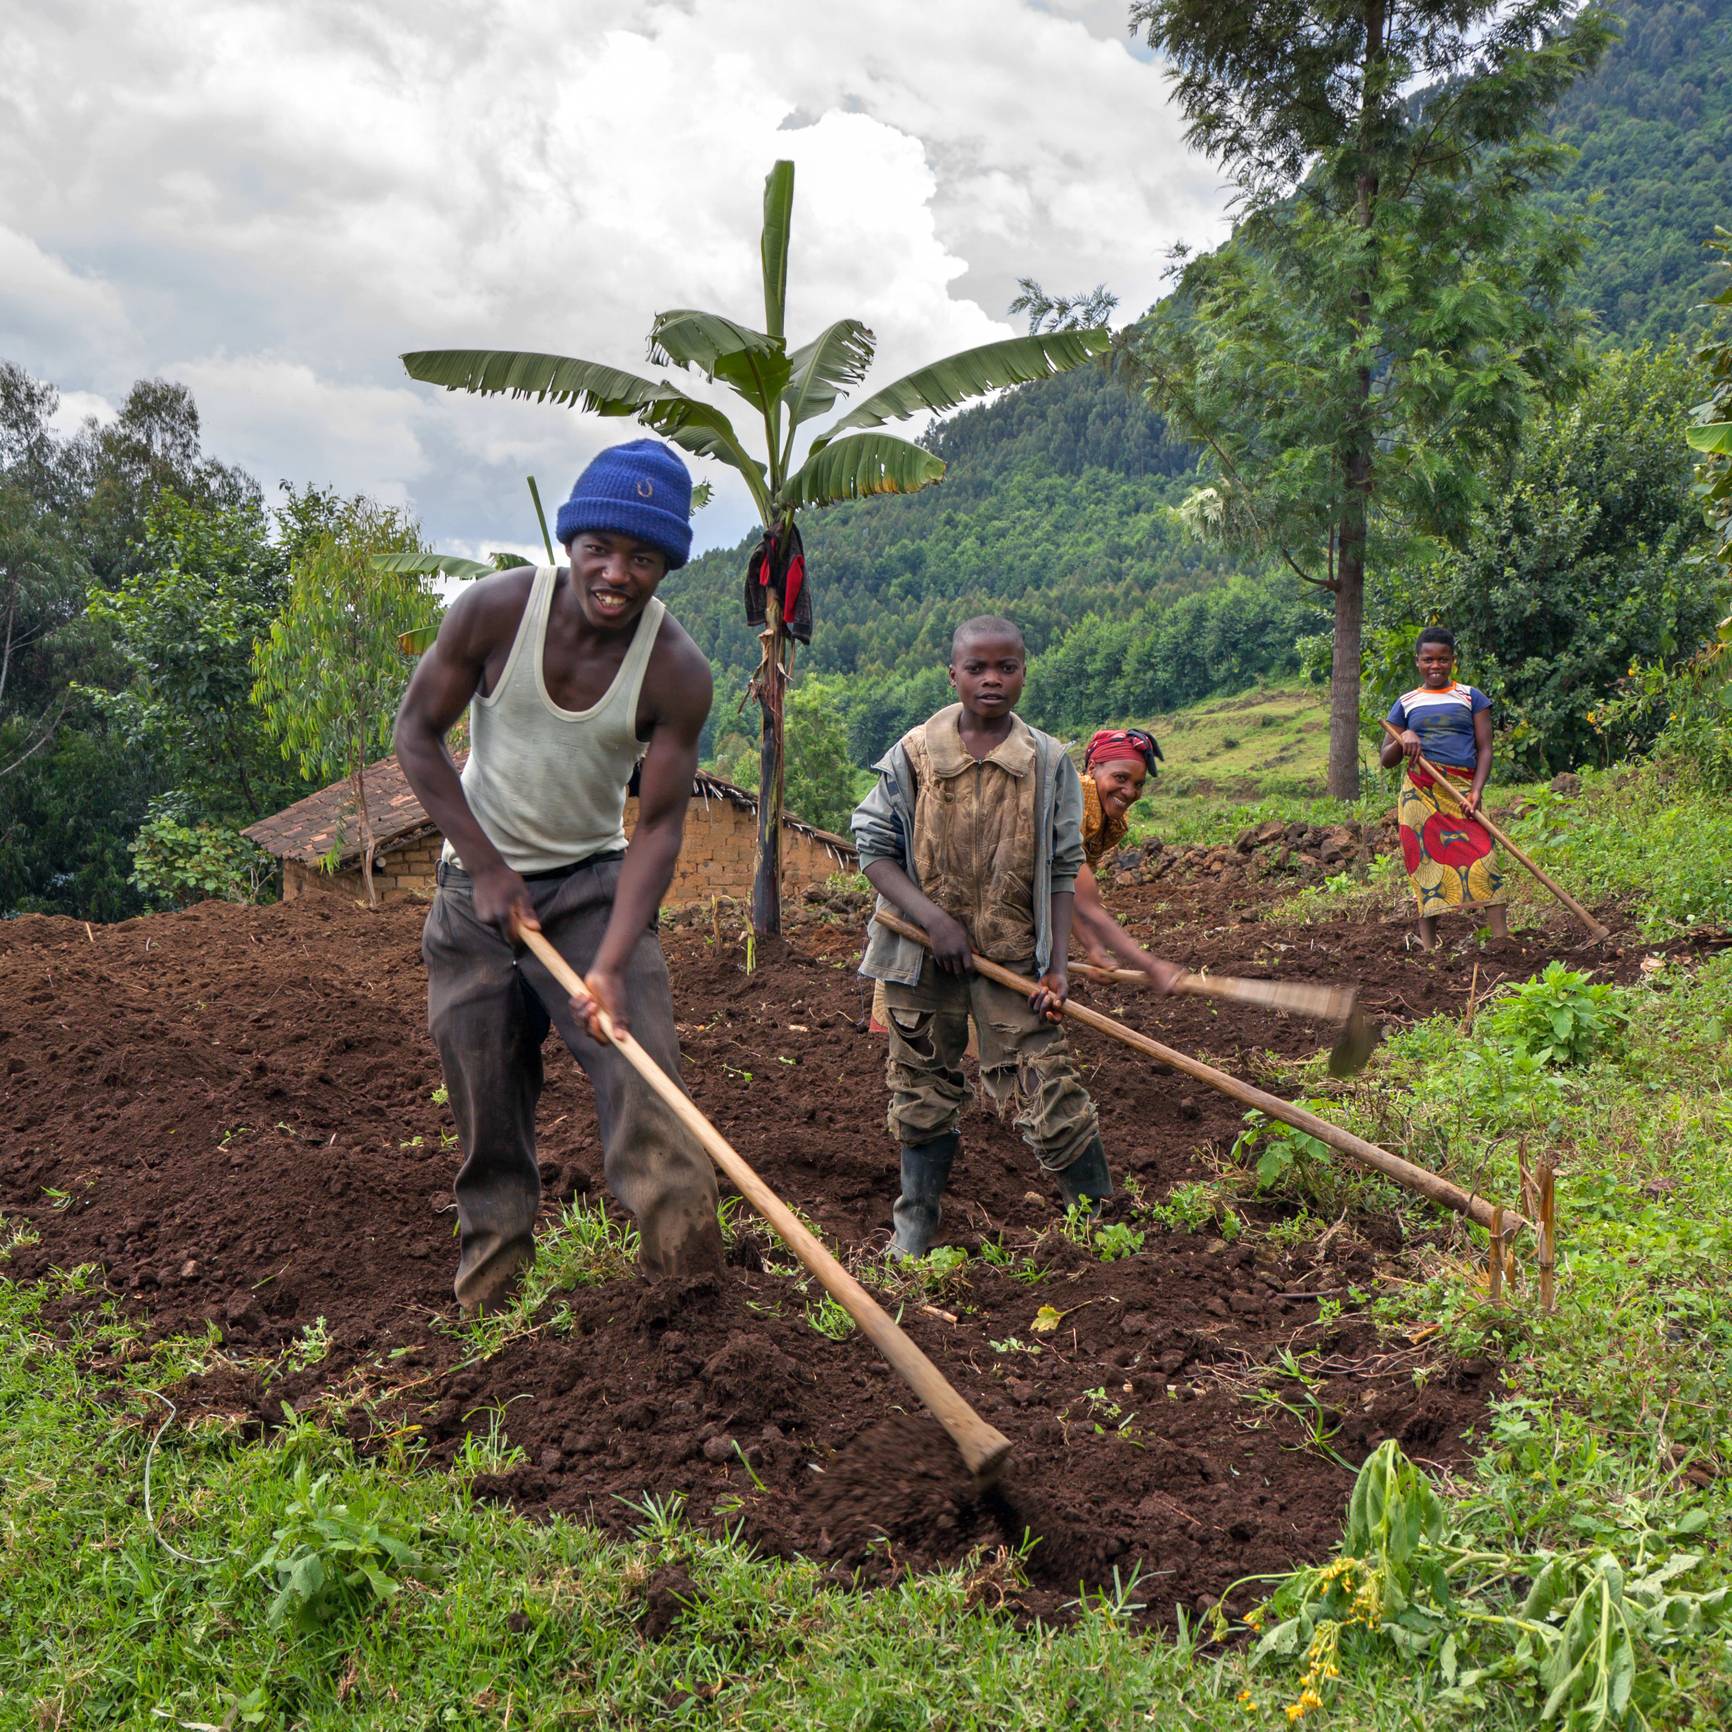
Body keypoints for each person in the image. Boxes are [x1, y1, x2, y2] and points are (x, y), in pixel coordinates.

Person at [395, 439, 723, 1313]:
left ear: (666, 565)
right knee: (486, 1092)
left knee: (647, 1083)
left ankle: (692, 1308)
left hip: (590, 890)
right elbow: (415, 738)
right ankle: (491, 1294)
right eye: (600, 550)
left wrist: (612, 962)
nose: (617, 573)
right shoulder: (497, 612)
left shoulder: (675, 670)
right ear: (571, 543)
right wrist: (490, 868)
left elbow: (656, 827)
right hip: (476, 897)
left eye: (644, 557)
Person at [851, 615, 1113, 1256]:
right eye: (977, 668)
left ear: (1024, 671)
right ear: (953, 675)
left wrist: (1055, 964)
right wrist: (934, 921)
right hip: (918, 959)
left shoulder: (1048, 762)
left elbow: (1059, 865)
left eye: (1007, 667)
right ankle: (914, 1225)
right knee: (919, 1088)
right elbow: (874, 849)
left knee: (1046, 1083)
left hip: (1012, 957)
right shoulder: (913, 755)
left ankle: (1096, 1222)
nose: (992, 679)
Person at [1379, 625, 1509, 949]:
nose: (1435, 666)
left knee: (1486, 857)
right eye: (1428, 660)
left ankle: (1502, 942)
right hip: (1420, 792)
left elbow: (1486, 749)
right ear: (1417, 662)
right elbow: (1386, 759)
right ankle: (1429, 948)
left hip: (1463, 790)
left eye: (1442, 659)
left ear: (1453, 661)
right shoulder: (1406, 703)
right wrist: (1404, 738)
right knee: (1425, 865)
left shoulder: (1470, 696)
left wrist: (1476, 791)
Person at [1071, 727, 1184, 992]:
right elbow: (1087, 905)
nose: (1130, 792)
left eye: (1138, 784)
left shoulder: (1099, 820)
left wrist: (1095, 949)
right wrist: (1151, 966)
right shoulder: (1070, 803)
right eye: (1120, 777)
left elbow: (1064, 891)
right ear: (1092, 768)